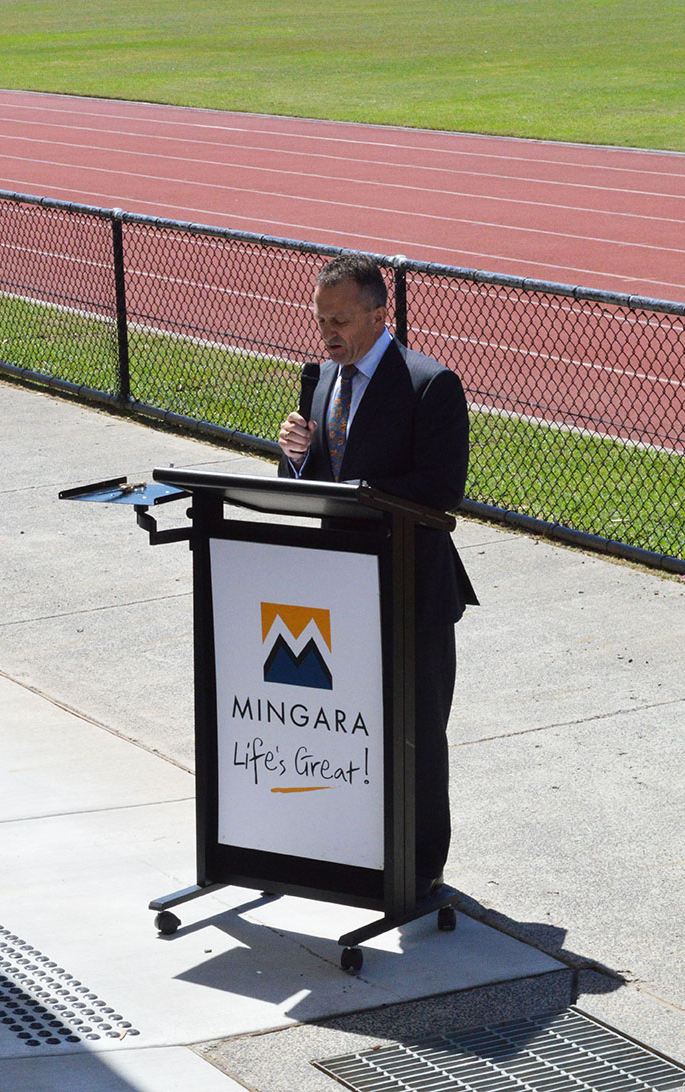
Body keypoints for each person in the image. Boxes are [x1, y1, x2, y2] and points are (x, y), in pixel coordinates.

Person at [278, 253, 477, 899]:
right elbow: (309, 482)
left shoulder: (429, 384)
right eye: (321, 319)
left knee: (417, 730)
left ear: (380, 312)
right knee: (350, 726)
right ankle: (356, 845)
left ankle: (422, 869)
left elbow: (443, 488)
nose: (328, 332)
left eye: (341, 319)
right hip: (341, 586)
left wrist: (362, 490)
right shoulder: (320, 379)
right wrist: (294, 459)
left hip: (412, 586)